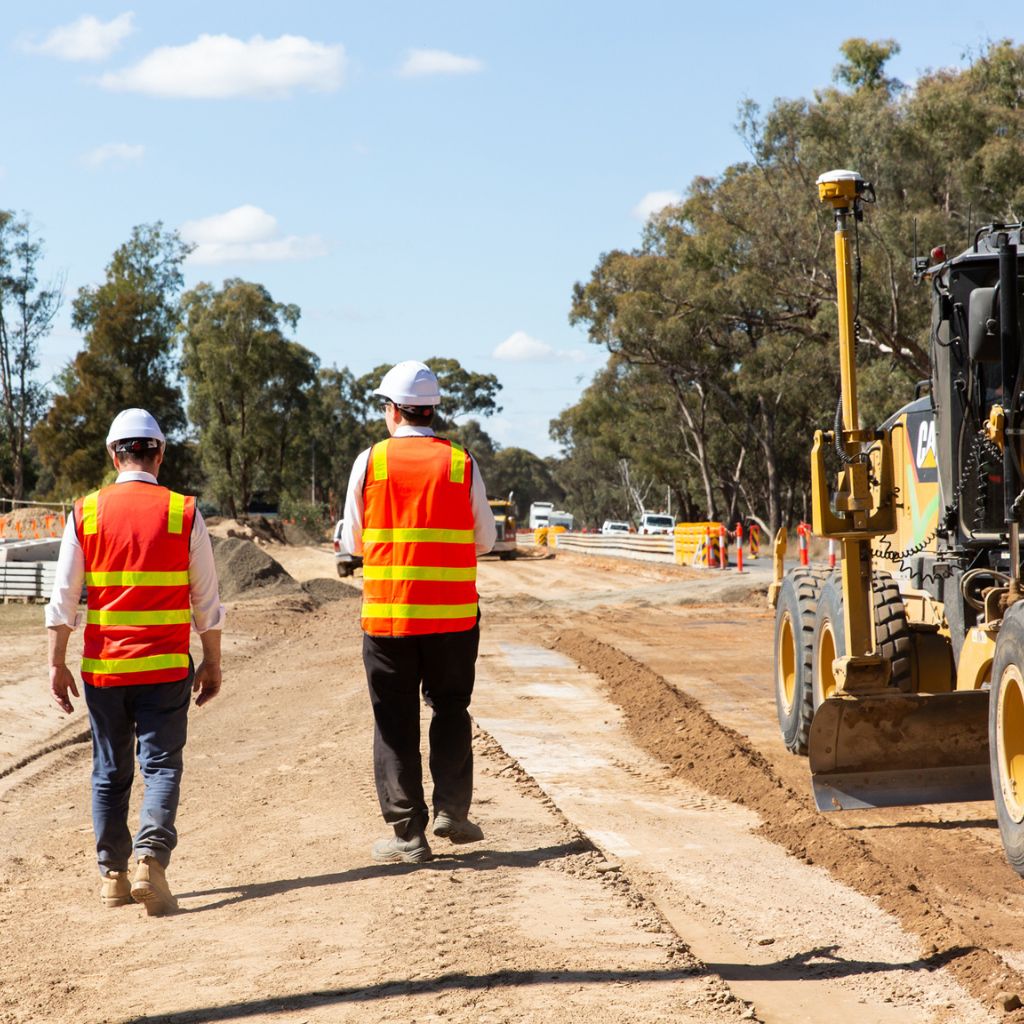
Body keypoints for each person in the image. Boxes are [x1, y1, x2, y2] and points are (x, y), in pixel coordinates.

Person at [46, 408, 224, 915]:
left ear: (113, 453)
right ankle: (151, 858)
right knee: (162, 765)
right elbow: (206, 601)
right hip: (166, 666)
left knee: (109, 770)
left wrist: (56, 663)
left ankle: (114, 876)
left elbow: (64, 599)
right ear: (159, 454)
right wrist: (212, 662)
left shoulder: (86, 512)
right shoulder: (183, 512)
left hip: (105, 669)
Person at [343, 361, 497, 864]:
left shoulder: (370, 462)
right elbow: (486, 540)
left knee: (394, 722)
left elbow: (351, 540)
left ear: (392, 411)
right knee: (450, 709)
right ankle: (452, 809)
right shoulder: (460, 463)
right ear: (432, 409)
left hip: (389, 619)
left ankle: (408, 836)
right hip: (453, 620)